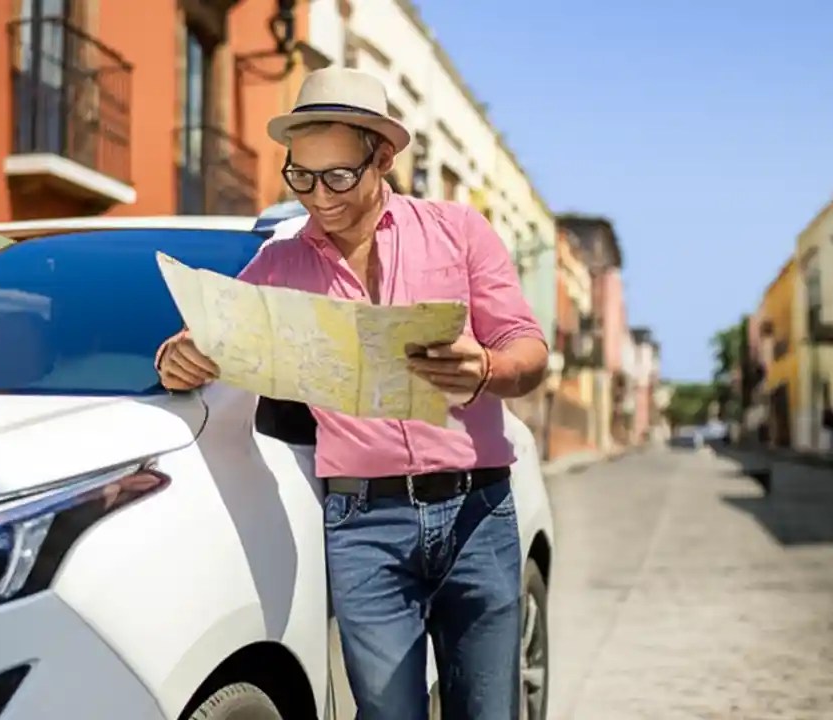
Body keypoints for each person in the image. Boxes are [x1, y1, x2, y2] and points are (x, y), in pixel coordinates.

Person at [155, 67, 548, 719]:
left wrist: (483, 369)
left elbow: (529, 353)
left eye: (338, 176)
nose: (320, 198)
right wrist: (181, 358)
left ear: (383, 157)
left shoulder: (460, 231)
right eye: (301, 178)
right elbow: (203, 334)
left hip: (478, 512)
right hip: (364, 525)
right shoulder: (280, 264)